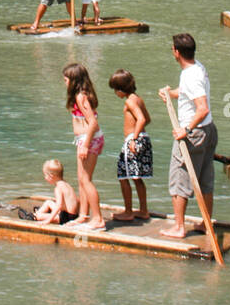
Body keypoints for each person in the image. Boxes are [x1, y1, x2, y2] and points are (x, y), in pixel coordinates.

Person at [158, 33, 217, 239]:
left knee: (179, 178)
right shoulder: (197, 67)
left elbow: (202, 108)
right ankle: (206, 223)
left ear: (176, 52)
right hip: (208, 130)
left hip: (195, 133)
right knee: (205, 178)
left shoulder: (190, 74)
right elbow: (187, 92)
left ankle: (179, 227)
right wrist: (171, 93)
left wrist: (187, 130)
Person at [63, 63, 106, 231]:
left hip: (89, 139)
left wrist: (85, 145)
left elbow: (93, 123)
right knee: (81, 179)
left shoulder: (81, 97)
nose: (64, 82)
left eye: (66, 79)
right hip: (84, 139)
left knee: (86, 180)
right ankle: (83, 216)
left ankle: (98, 219)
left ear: (73, 80)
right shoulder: (79, 96)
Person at [108, 69, 152, 221]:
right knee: (136, 177)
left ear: (120, 89)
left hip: (134, 140)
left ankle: (128, 212)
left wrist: (133, 138)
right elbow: (148, 119)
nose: (115, 93)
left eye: (115, 90)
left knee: (123, 176)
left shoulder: (129, 101)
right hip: (144, 138)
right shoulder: (138, 99)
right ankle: (143, 210)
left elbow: (141, 119)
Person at [33, 159, 80, 225]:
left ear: (51, 176)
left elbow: (59, 206)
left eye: (45, 175)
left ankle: (37, 215)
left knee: (38, 217)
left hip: (66, 218)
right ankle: (39, 213)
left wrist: (47, 221)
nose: (45, 178)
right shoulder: (66, 184)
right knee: (48, 202)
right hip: (72, 215)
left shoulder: (58, 188)